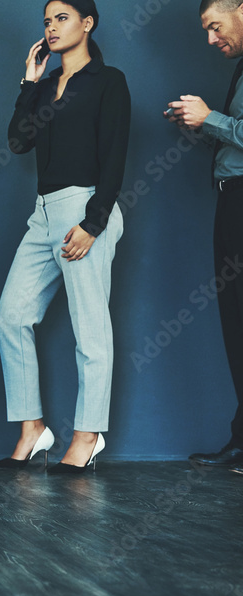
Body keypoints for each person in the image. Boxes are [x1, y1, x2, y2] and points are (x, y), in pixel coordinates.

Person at [0, 0, 130, 474]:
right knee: (11, 317)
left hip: (85, 209)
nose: (51, 27)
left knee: (90, 330)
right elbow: (17, 141)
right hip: (43, 214)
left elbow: (115, 155)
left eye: (62, 18)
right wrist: (29, 83)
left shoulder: (109, 82)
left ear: (87, 23)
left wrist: (93, 222)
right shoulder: (47, 85)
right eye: (47, 21)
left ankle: (87, 436)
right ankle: (33, 431)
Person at [170, 0, 243, 476]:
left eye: (215, 26)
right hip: (231, 201)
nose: (211, 39)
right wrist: (200, 125)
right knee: (235, 322)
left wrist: (211, 118)